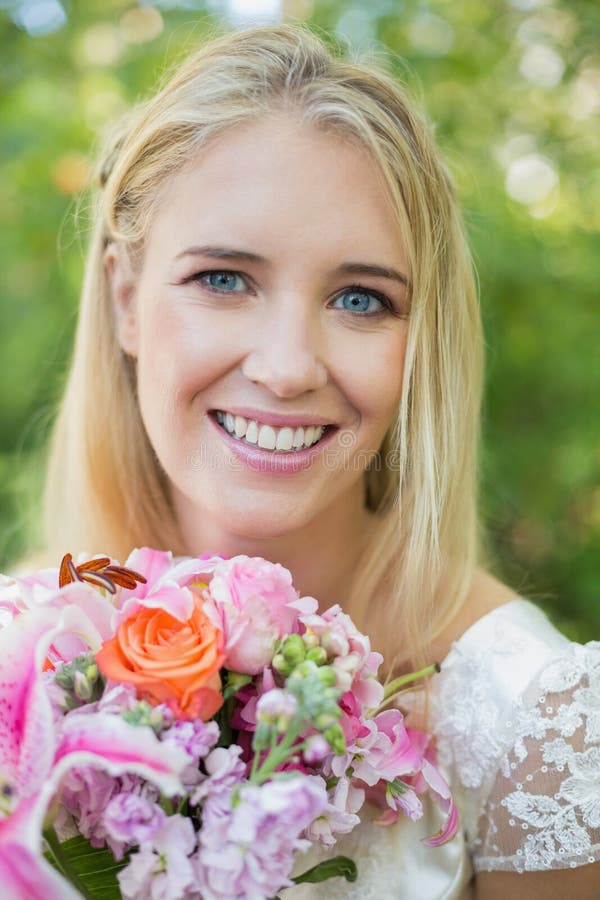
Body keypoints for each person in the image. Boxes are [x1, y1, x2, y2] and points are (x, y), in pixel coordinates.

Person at [36, 23, 598, 899]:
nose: (288, 366)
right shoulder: (28, 655)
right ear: (125, 300)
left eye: (360, 298)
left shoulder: (533, 721)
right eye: (224, 279)